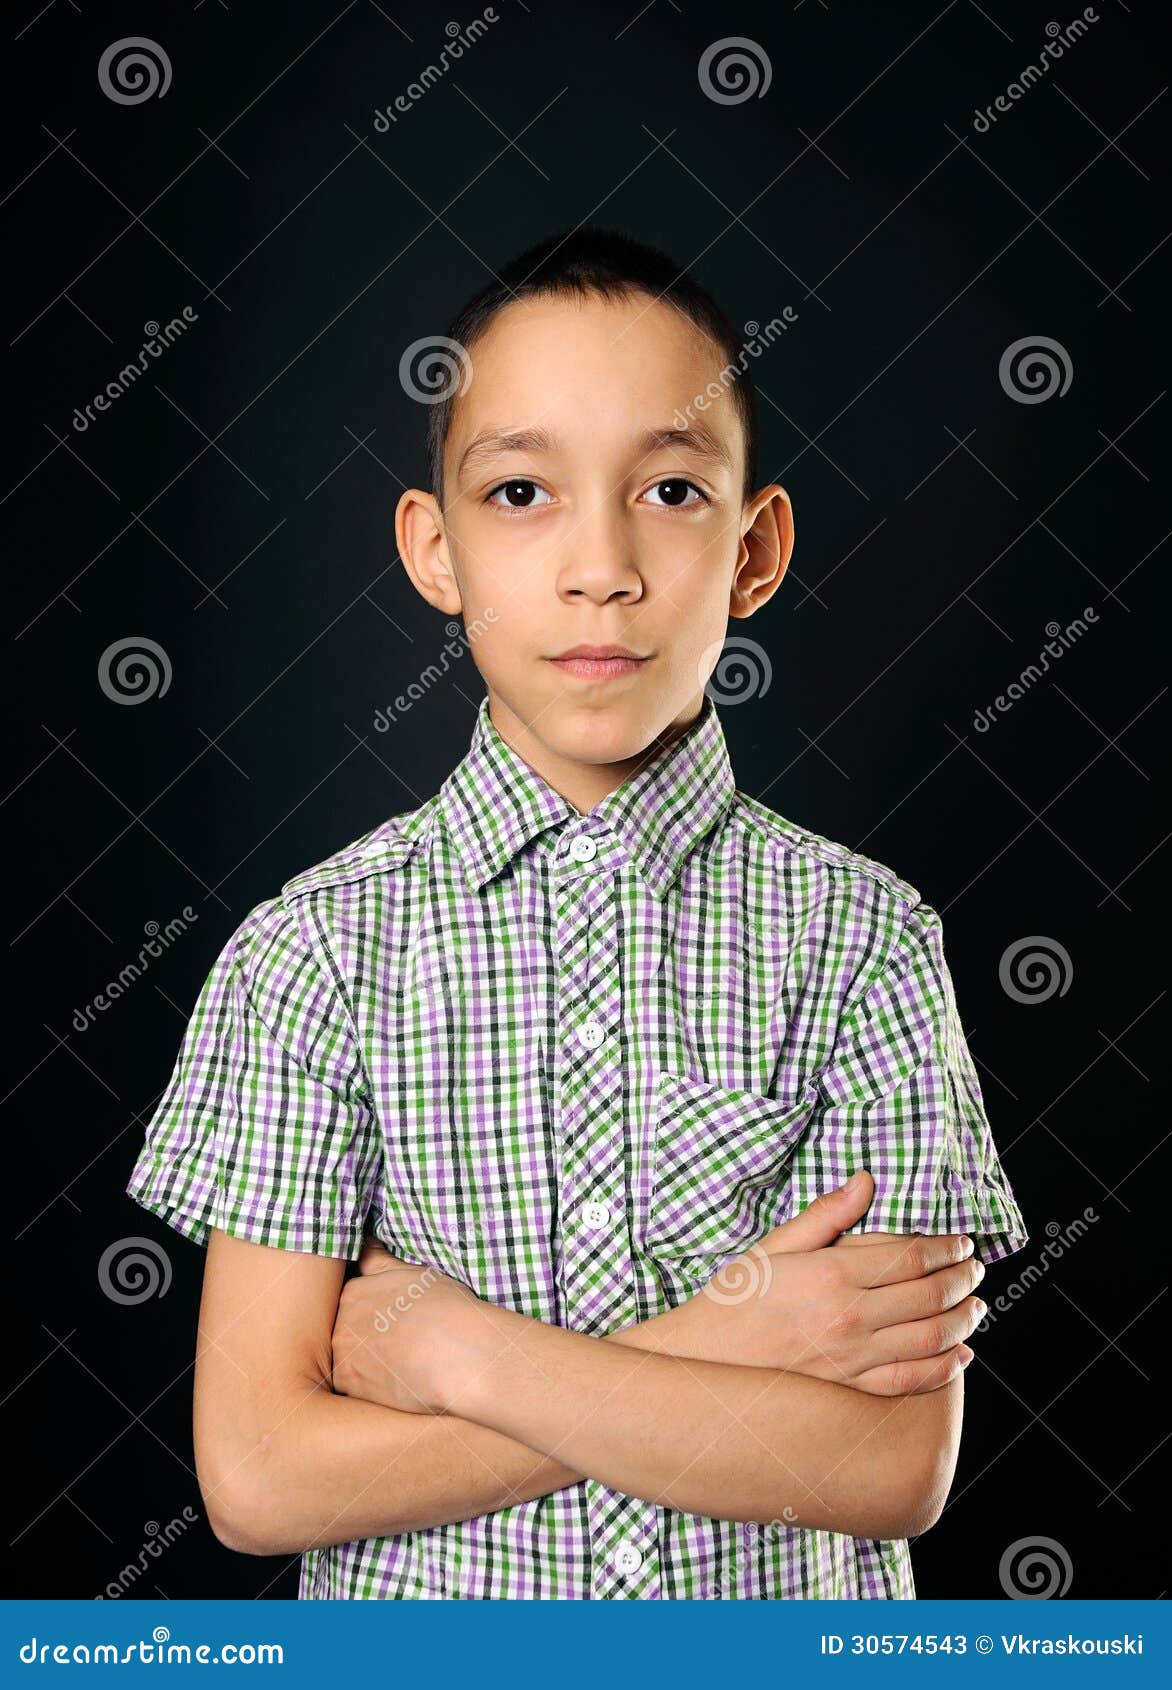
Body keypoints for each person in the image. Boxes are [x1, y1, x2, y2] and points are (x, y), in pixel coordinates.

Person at [125, 226, 1028, 1600]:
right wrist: (719, 1346)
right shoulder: (313, 955)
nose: (599, 564)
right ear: (435, 550)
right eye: (521, 491)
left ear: (755, 549)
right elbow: (261, 1478)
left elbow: (889, 1463)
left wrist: (460, 1352)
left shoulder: (863, 940)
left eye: (669, 489)